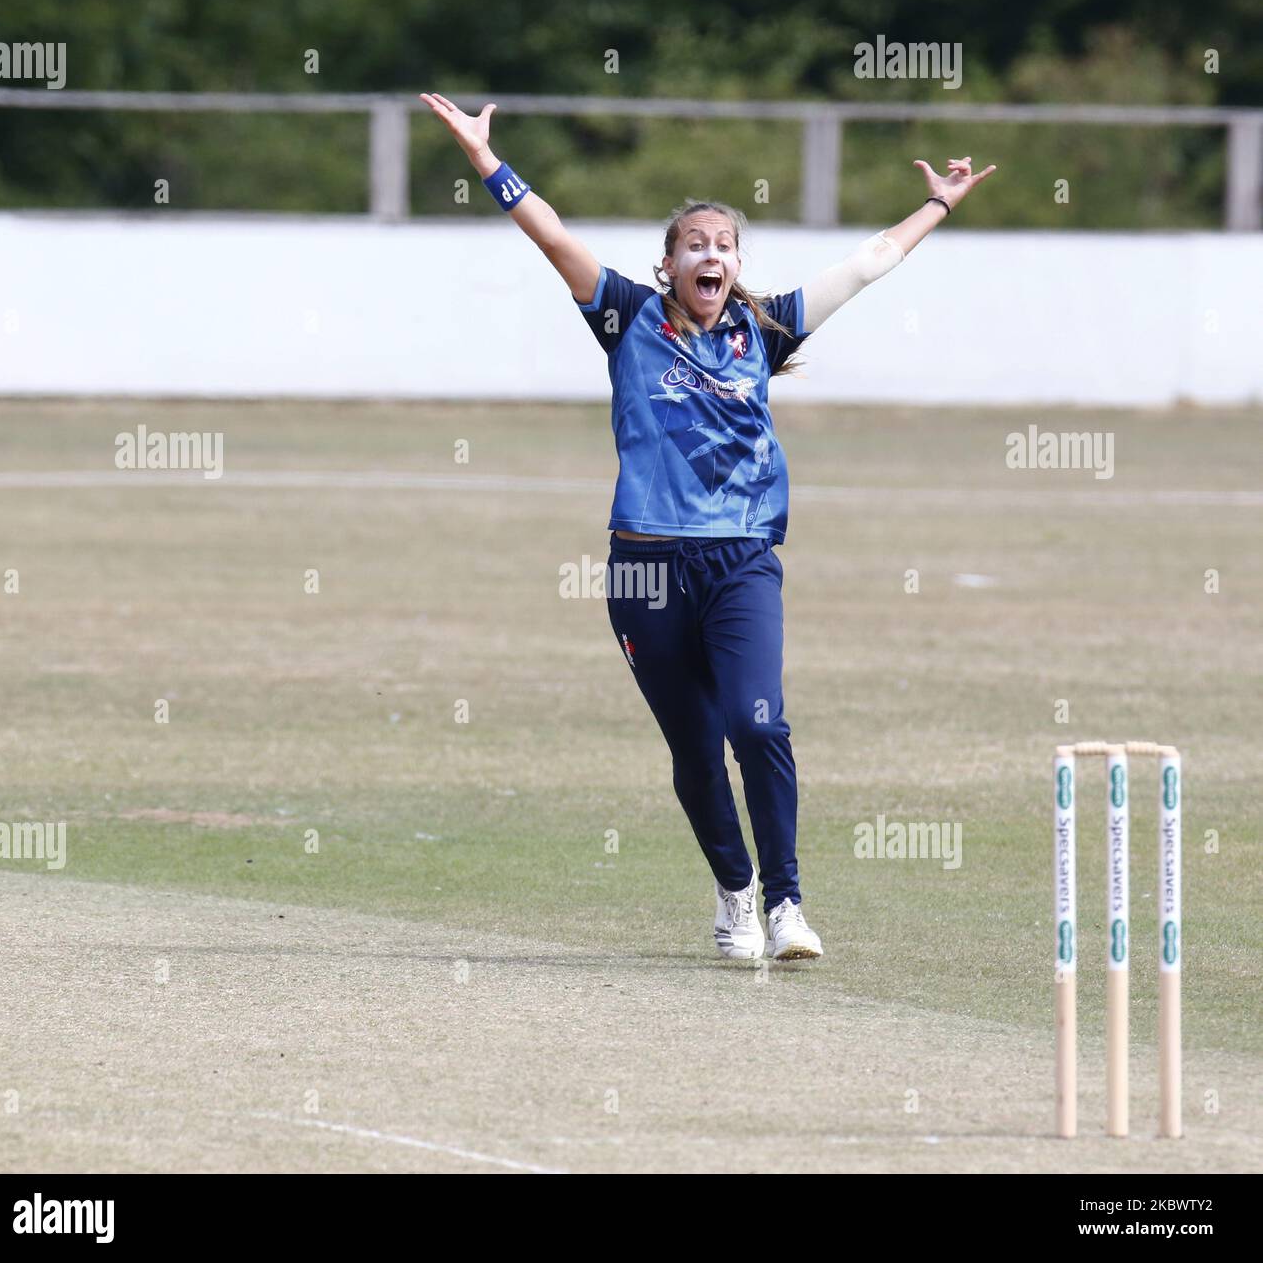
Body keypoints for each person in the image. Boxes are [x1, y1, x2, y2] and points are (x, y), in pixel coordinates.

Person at [419, 91, 995, 961]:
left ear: (735, 264)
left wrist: (940, 202)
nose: (711, 255)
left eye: (724, 245)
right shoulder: (626, 318)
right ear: (668, 264)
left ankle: (787, 903)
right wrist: (483, 159)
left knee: (758, 724)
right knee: (694, 748)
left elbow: (870, 263)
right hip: (645, 571)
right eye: (696, 245)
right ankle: (735, 891)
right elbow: (552, 236)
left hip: (740, 562)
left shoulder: (764, 330)